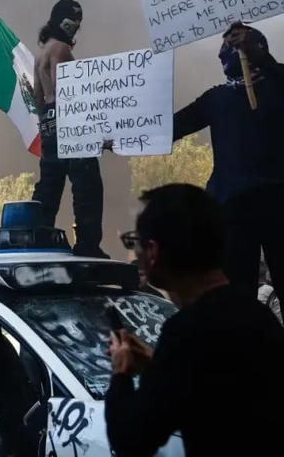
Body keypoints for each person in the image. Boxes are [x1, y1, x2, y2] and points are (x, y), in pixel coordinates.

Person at [106, 184, 284, 456]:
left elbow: (132, 440)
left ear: (153, 252)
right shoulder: (261, 318)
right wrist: (158, 367)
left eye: (135, 242)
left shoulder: (184, 333)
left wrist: (121, 373)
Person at [173, 22, 284, 300]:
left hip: (277, 202)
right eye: (223, 46)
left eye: (232, 45)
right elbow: (173, 126)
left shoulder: (277, 85)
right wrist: (123, 136)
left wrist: (261, 59)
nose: (223, 53)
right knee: (237, 294)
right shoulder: (217, 98)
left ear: (255, 46)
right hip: (232, 210)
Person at [31, 0, 107, 258]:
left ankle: (35, 237)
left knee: (49, 183)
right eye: (72, 20)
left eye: (79, 21)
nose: (76, 26)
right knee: (86, 184)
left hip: (49, 123)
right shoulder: (61, 50)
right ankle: (88, 245)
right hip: (69, 120)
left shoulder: (41, 53)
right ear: (60, 20)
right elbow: (71, 94)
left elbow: (37, 97)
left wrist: (46, 122)